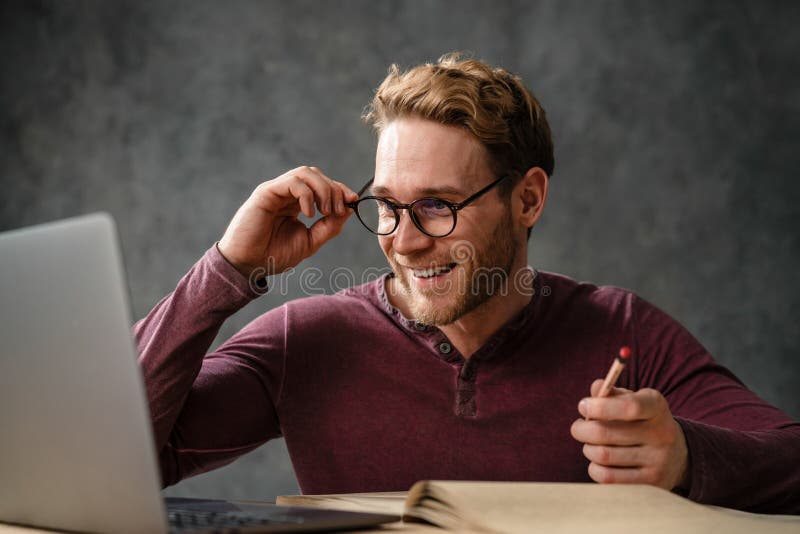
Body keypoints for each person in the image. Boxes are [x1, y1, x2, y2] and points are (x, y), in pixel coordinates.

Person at [135, 53, 800, 514]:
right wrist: (225, 268)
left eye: (436, 205)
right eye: (389, 205)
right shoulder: (304, 341)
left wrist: (686, 459)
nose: (403, 238)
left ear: (529, 199)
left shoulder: (621, 331)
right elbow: (120, 459)